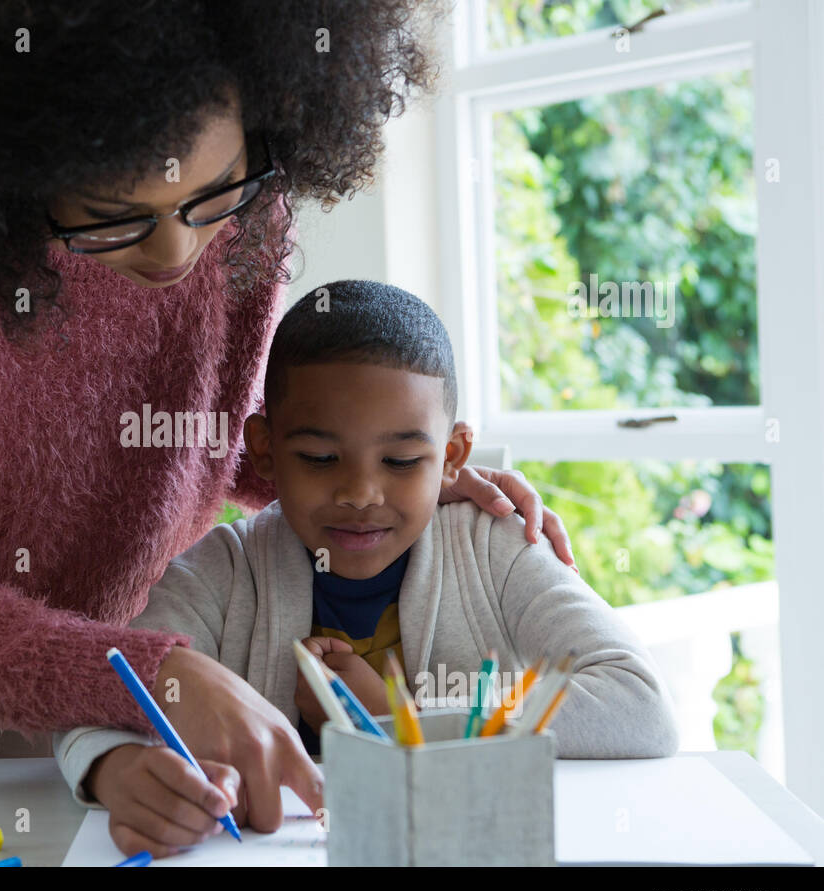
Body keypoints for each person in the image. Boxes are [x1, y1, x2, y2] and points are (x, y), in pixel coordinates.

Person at [0, 1, 576, 830]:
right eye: (115, 216)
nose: (177, 253)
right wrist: (162, 674)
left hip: (111, 619)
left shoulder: (247, 188)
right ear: (7, 175)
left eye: (211, 195)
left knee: (68, 841)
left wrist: (382, 470)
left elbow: (204, 433)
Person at [55, 281, 678, 858]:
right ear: (266, 451)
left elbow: (640, 703)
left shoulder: (497, 550)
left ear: (453, 456)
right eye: (320, 457)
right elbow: (95, 695)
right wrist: (116, 771)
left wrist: (405, 718)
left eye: (403, 461)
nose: (360, 493)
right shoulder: (222, 571)